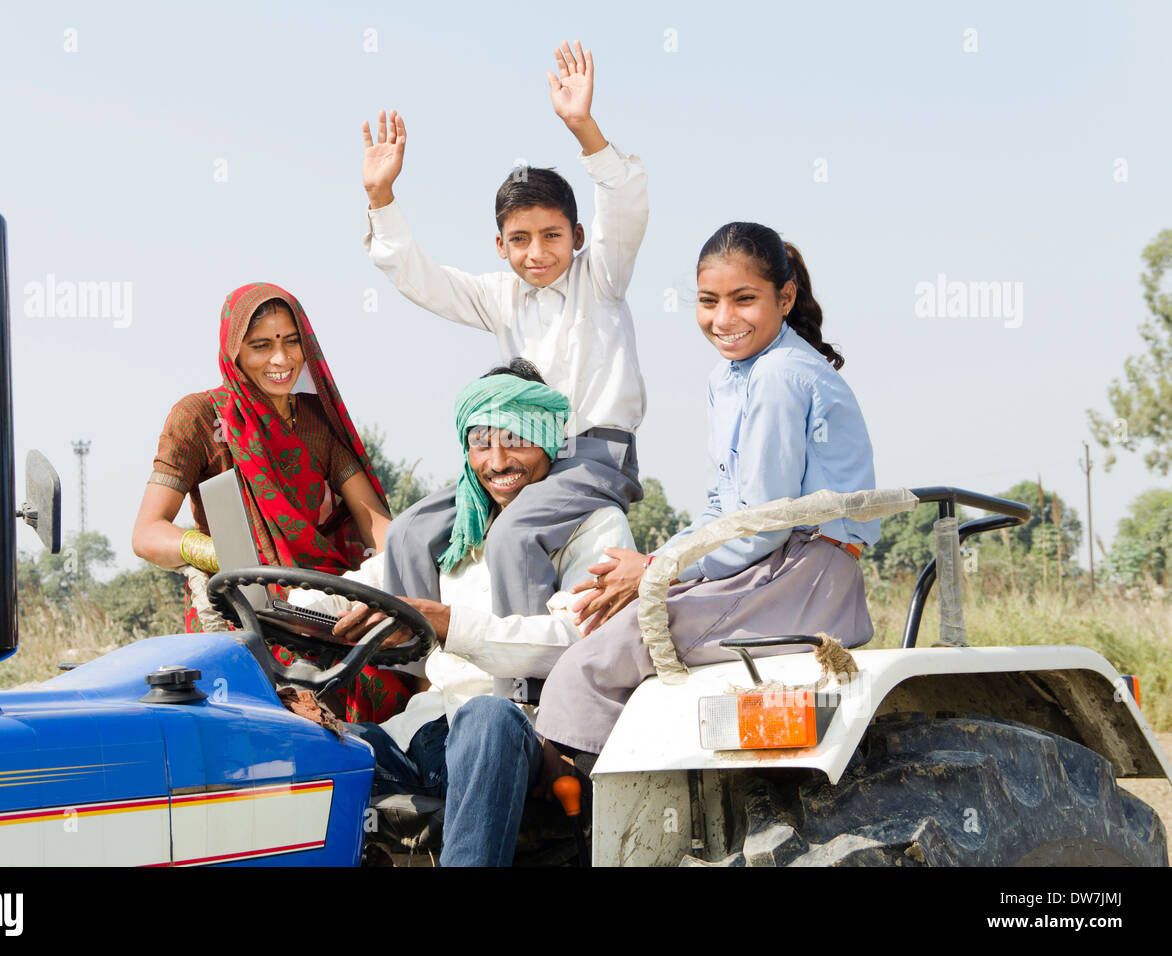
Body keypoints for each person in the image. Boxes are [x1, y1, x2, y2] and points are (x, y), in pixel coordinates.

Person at [535, 222, 881, 756]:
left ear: (784, 297)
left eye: (745, 300)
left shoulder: (780, 376)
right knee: (605, 630)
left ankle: (590, 818)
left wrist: (656, 570)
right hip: (763, 563)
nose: (724, 320)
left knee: (592, 663)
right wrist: (658, 564)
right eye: (708, 301)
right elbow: (724, 509)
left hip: (802, 574)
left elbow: (763, 523)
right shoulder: (731, 377)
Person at [289, 360, 636, 866]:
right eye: (481, 443)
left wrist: (452, 624)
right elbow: (358, 588)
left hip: (520, 735)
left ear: (548, 439)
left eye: (515, 440)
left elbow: (576, 638)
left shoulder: (594, 525)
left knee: (486, 715)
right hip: (424, 736)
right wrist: (291, 608)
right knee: (297, 745)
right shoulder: (447, 529)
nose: (497, 461)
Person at [360, 40, 648, 619]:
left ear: (578, 236)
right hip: (517, 456)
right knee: (412, 531)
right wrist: (381, 196)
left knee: (515, 534)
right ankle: (411, 671)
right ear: (500, 245)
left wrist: (583, 126)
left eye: (552, 236)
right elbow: (423, 281)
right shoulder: (501, 295)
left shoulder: (604, 277)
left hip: (592, 459)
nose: (537, 253)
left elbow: (625, 202)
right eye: (520, 240)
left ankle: (526, 684)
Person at [131, 282, 409, 723]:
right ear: (233, 351)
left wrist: (412, 576)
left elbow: (375, 522)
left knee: (407, 690)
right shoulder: (199, 418)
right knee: (277, 720)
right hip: (243, 607)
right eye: (261, 345)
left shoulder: (316, 421)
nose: (281, 360)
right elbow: (147, 533)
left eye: (291, 341)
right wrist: (222, 556)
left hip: (320, 603)